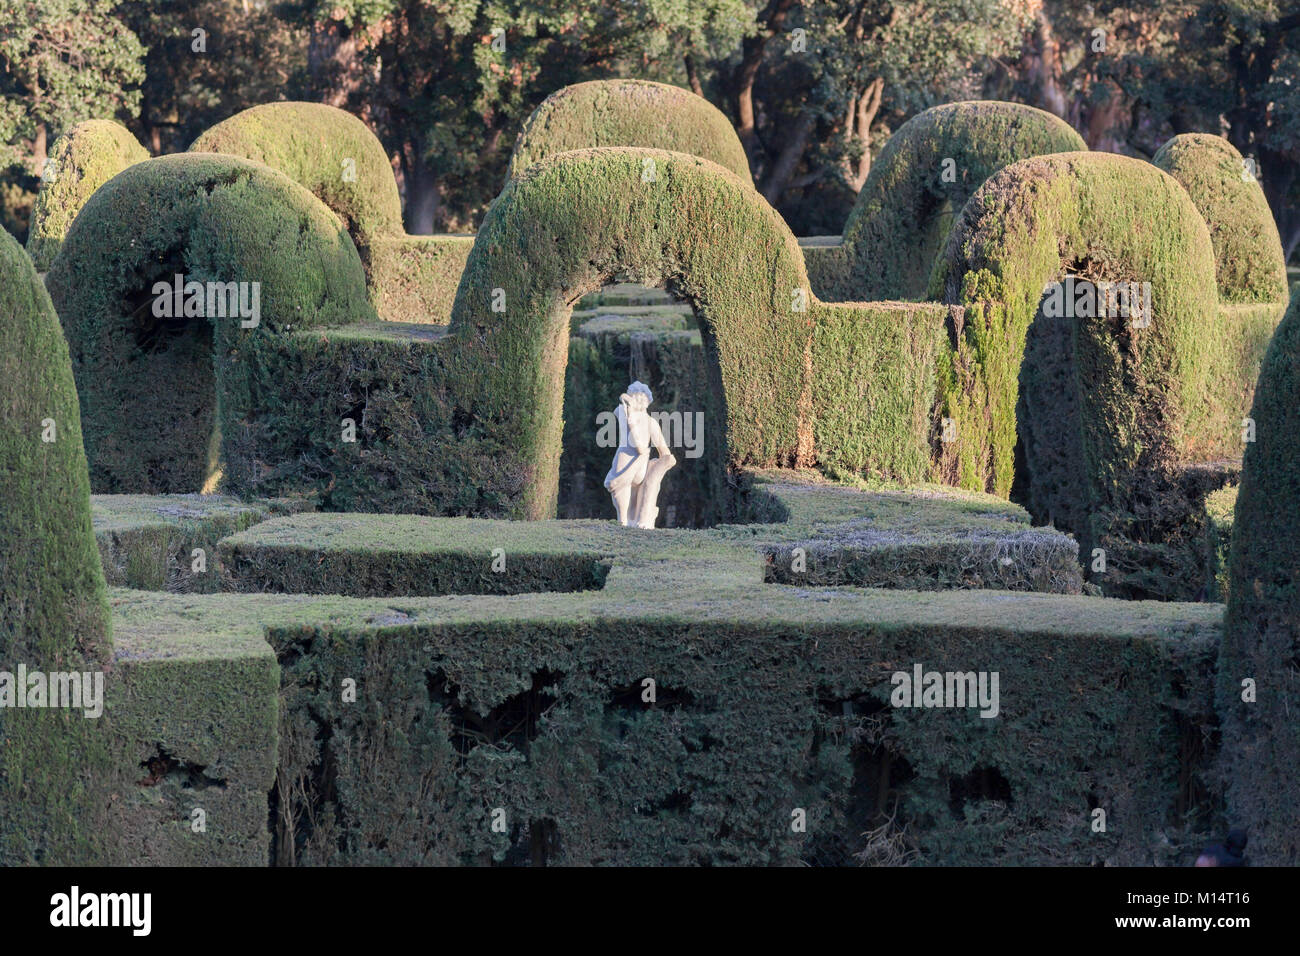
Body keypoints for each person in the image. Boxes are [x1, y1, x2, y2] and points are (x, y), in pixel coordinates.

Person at [603, 381, 676, 529]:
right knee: (624, 500)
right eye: (636, 397)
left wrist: (661, 466)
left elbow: (664, 450)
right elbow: (622, 398)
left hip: (638, 465)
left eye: (643, 398)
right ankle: (624, 522)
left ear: (648, 402)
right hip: (627, 462)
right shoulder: (624, 414)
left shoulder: (650, 422)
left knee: (630, 497)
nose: (640, 401)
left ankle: (629, 521)